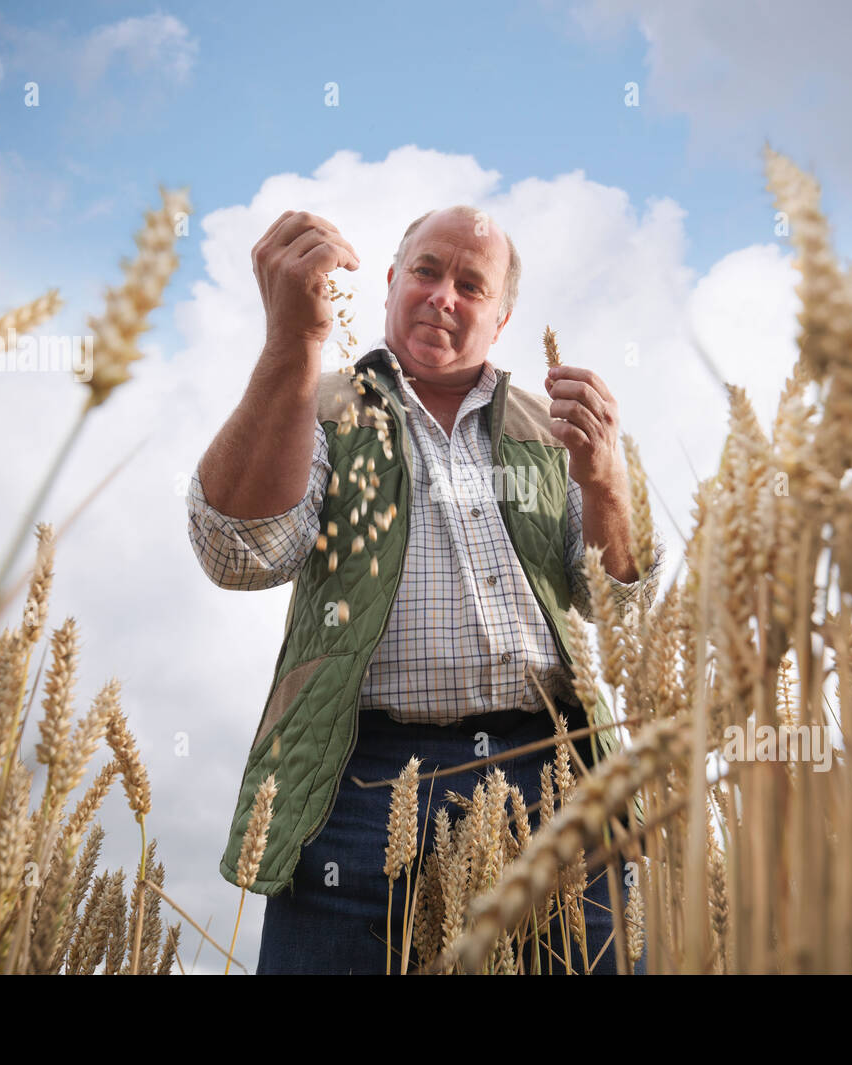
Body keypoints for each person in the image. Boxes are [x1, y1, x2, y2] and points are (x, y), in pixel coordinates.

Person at [186, 205, 665, 973]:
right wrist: (292, 342)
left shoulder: (550, 430)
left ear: (501, 317)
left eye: (471, 284)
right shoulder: (314, 406)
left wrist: (606, 481)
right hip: (357, 778)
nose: (444, 295)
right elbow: (239, 553)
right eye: (427, 270)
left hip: (552, 769)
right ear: (389, 283)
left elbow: (627, 609)